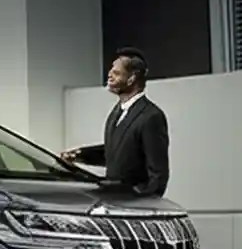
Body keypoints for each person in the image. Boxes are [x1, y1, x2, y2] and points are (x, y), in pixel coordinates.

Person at [60, 47, 170, 197]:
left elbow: (158, 175)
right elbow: (117, 152)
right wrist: (80, 155)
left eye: (116, 73)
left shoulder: (151, 116)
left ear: (131, 78)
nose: (109, 76)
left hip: (132, 207)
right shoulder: (116, 112)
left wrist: (142, 204)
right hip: (113, 200)